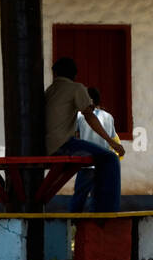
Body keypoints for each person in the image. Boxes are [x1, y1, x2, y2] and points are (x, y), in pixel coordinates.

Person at [45, 58, 125, 213]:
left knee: (81, 191)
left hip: (48, 145)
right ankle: (109, 213)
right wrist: (112, 142)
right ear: (75, 74)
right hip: (64, 144)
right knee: (111, 159)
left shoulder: (50, 90)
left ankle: (88, 212)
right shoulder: (76, 88)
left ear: (55, 72)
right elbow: (89, 116)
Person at [69, 87, 116, 212]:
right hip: (103, 164)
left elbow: (75, 135)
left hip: (87, 163)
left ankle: (72, 221)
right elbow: (111, 137)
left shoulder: (80, 116)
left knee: (79, 196)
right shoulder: (109, 117)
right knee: (99, 198)